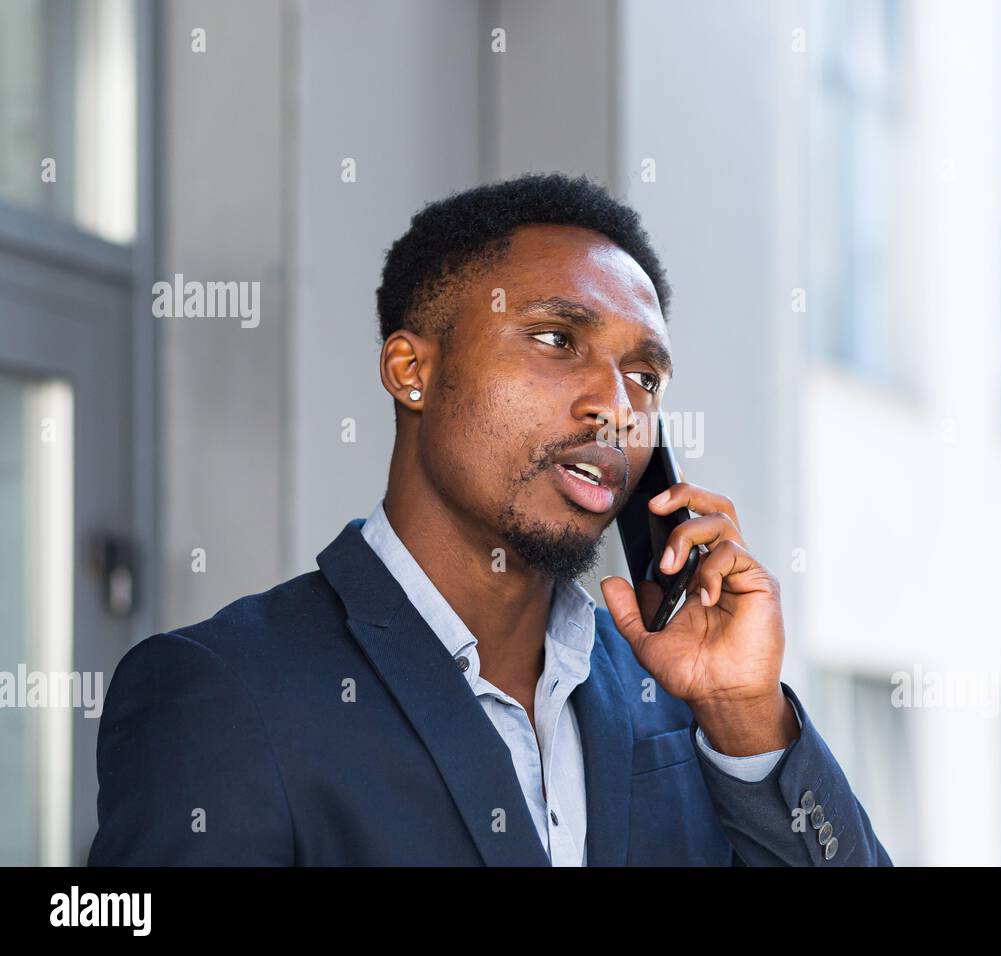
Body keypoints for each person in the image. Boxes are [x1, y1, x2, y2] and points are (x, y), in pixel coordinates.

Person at [88, 173, 892, 866]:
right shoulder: (226, 693)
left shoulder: (682, 694)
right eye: (555, 339)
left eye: (643, 377)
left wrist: (745, 716)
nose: (615, 408)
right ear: (413, 371)